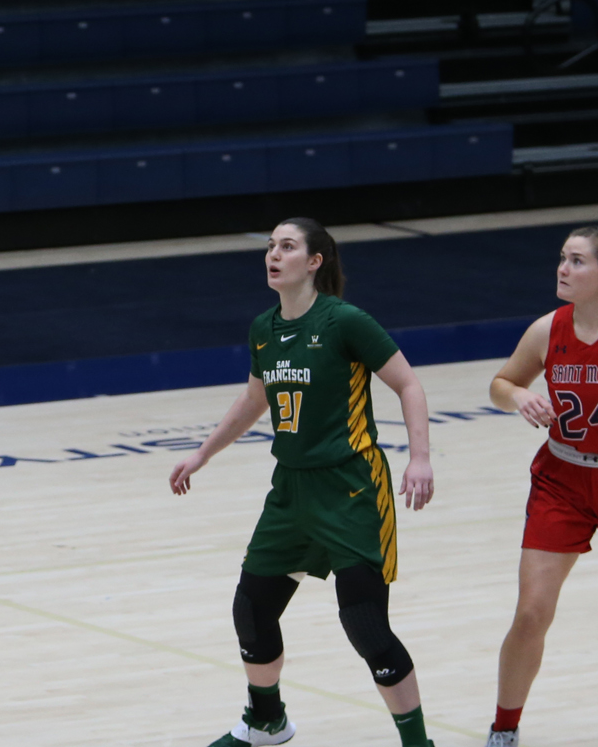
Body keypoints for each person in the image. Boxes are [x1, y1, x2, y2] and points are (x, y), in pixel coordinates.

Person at [169, 217, 437, 747]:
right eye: (270, 246)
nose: (273, 254)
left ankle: (418, 743)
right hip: (290, 490)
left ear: (314, 262)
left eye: (287, 246)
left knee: (365, 624)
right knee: (252, 609)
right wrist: (203, 453)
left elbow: (408, 384)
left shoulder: (345, 321)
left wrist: (420, 459)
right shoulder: (263, 329)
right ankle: (266, 721)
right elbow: (255, 398)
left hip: (351, 487)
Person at [480, 225, 598, 747]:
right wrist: (518, 397)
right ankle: (504, 728)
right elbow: (501, 383)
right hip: (562, 479)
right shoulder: (548, 329)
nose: (562, 268)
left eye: (577, 261)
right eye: (562, 257)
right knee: (531, 613)